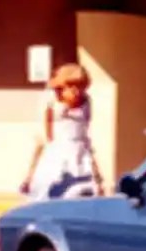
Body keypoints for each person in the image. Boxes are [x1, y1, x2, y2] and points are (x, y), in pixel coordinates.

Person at [20, 63, 106, 200]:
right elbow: (42, 140)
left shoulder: (86, 103)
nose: (77, 91)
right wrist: (29, 176)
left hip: (80, 160)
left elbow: (86, 139)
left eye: (81, 86)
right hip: (56, 159)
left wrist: (98, 176)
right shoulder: (51, 103)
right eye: (71, 86)